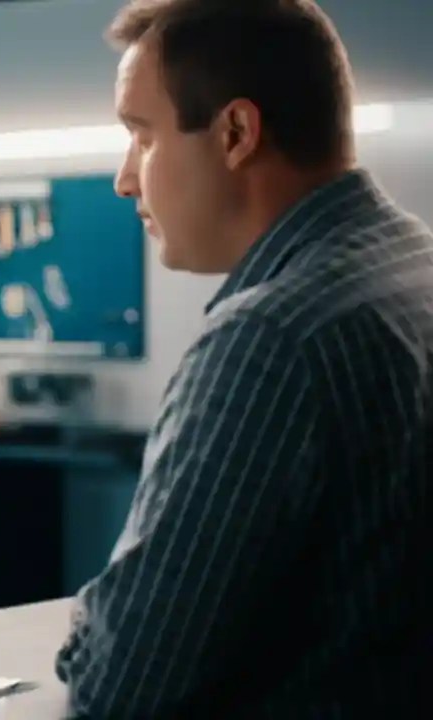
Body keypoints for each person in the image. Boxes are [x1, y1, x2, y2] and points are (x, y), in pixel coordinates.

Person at [57, 0, 431, 717]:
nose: (124, 179)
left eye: (142, 136)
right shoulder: (413, 271)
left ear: (234, 132)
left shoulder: (268, 341)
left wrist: (92, 627)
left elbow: (124, 681)